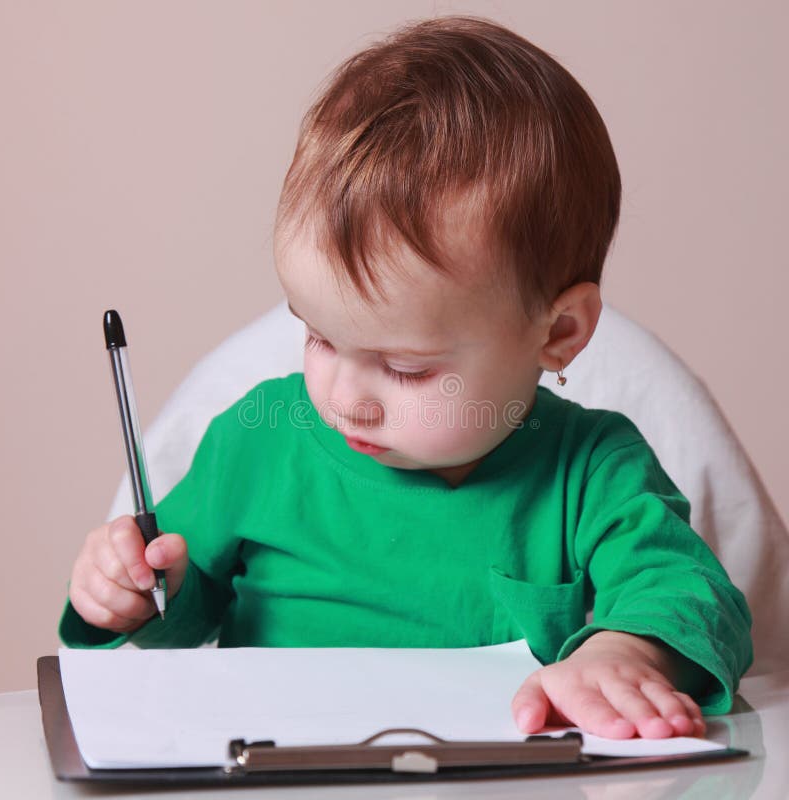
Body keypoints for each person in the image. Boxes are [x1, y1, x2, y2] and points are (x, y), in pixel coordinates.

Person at [59, 16, 752, 741]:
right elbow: (182, 625)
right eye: (319, 337)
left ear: (559, 333)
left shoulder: (592, 470)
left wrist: (624, 652)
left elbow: (693, 596)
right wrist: (135, 596)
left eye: (406, 369)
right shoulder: (254, 444)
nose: (346, 399)